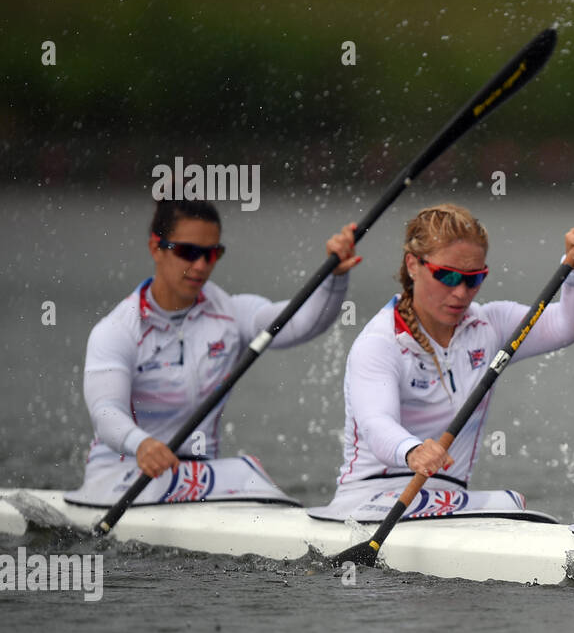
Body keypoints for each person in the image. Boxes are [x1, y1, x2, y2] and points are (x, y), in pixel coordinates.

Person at [309, 204, 574, 522]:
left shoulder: (491, 326)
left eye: (474, 279)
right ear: (413, 265)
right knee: (505, 505)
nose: (461, 293)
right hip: (368, 502)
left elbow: (572, 325)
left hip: (447, 501)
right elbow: (376, 424)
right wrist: (413, 450)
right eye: (447, 276)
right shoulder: (380, 342)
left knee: (511, 503)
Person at [68, 199, 359, 506]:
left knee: (247, 473)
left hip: (196, 475)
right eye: (188, 252)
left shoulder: (229, 315)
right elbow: (105, 412)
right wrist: (141, 445)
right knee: (245, 474)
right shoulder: (117, 330)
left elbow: (302, 324)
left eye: (212, 254)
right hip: (122, 477)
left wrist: (335, 278)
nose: (201, 265)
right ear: (156, 248)